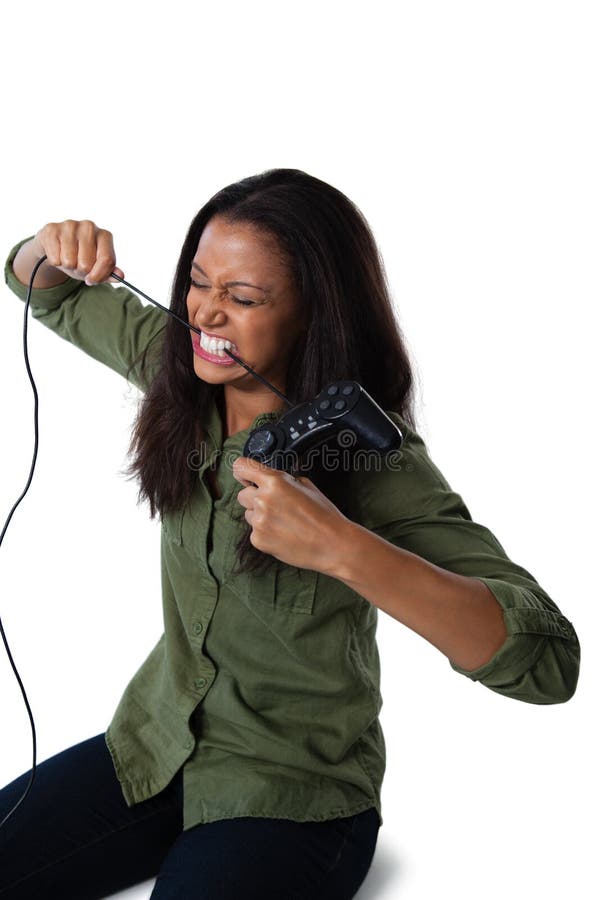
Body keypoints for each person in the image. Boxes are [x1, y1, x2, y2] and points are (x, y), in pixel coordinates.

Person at [0, 168, 580, 899]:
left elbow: (548, 665)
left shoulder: (369, 454)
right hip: (154, 743)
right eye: (199, 283)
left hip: (293, 793)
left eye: (242, 298)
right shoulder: (180, 364)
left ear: (314, 312)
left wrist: (344, 548)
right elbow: (38, 286)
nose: (207, 315)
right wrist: (54, 247)